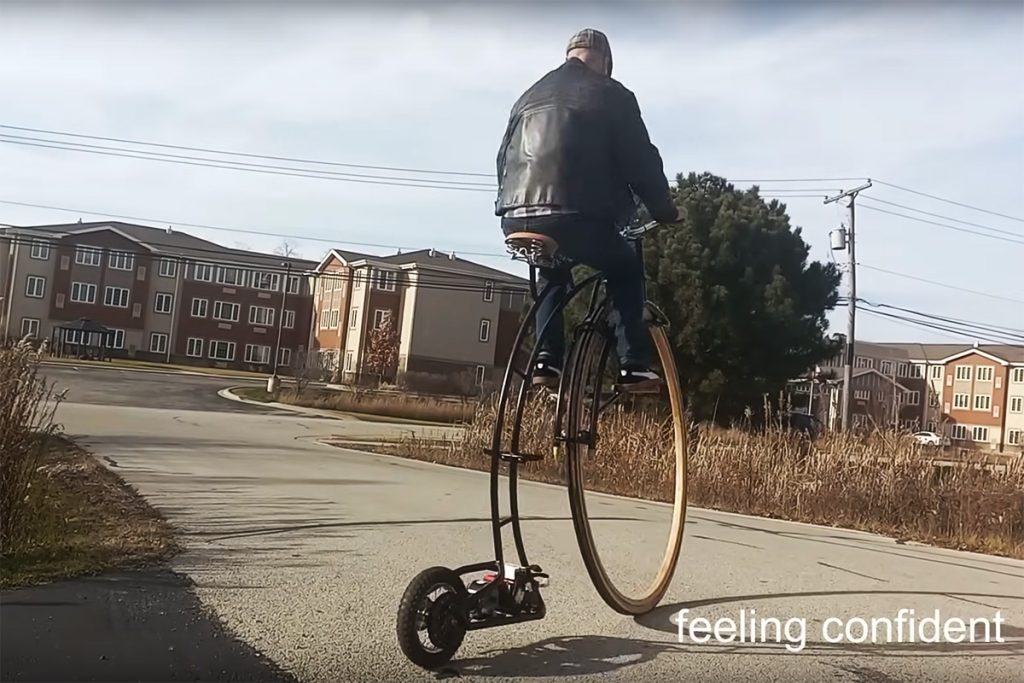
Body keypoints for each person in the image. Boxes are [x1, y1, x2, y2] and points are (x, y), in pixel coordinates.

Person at [494, 28, 680, 391]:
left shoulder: (527, 96)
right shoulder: (613, 94)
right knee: (625, 266)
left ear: (570, 55)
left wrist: (510, 207)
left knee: (551, 270)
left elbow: (503, 158)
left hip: (516, 215)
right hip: (576, 216)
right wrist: (664, 210)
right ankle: (633, 364)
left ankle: (547, 359)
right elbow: (641, 161)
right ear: (606, 64)